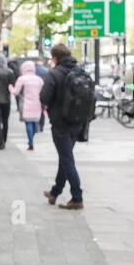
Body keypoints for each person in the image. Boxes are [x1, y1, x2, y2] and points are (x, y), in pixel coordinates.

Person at [40, 42, 91, 210]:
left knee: (67, 159)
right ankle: (55, 192)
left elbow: (44, 97)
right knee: (65, 156)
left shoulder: (54, 74)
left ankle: (77, 197)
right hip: (78, 122)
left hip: (60, 123)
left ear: (55, 57)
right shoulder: (80, 71)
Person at [9, 60, 44, 149]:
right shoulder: (39, 79)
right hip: (37, 103)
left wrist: (10, 88)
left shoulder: (22, 79)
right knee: (34, 122)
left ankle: (31, 142)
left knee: (28, 123)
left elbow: (15, 92)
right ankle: (32, 138)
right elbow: (43, 91)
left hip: (26, 103)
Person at [0, 55, 13, 149]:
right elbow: (12, 85)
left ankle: (0, 142)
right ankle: (4, 139)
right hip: (6, 99)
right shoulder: (9, 72)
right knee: (5, 121)